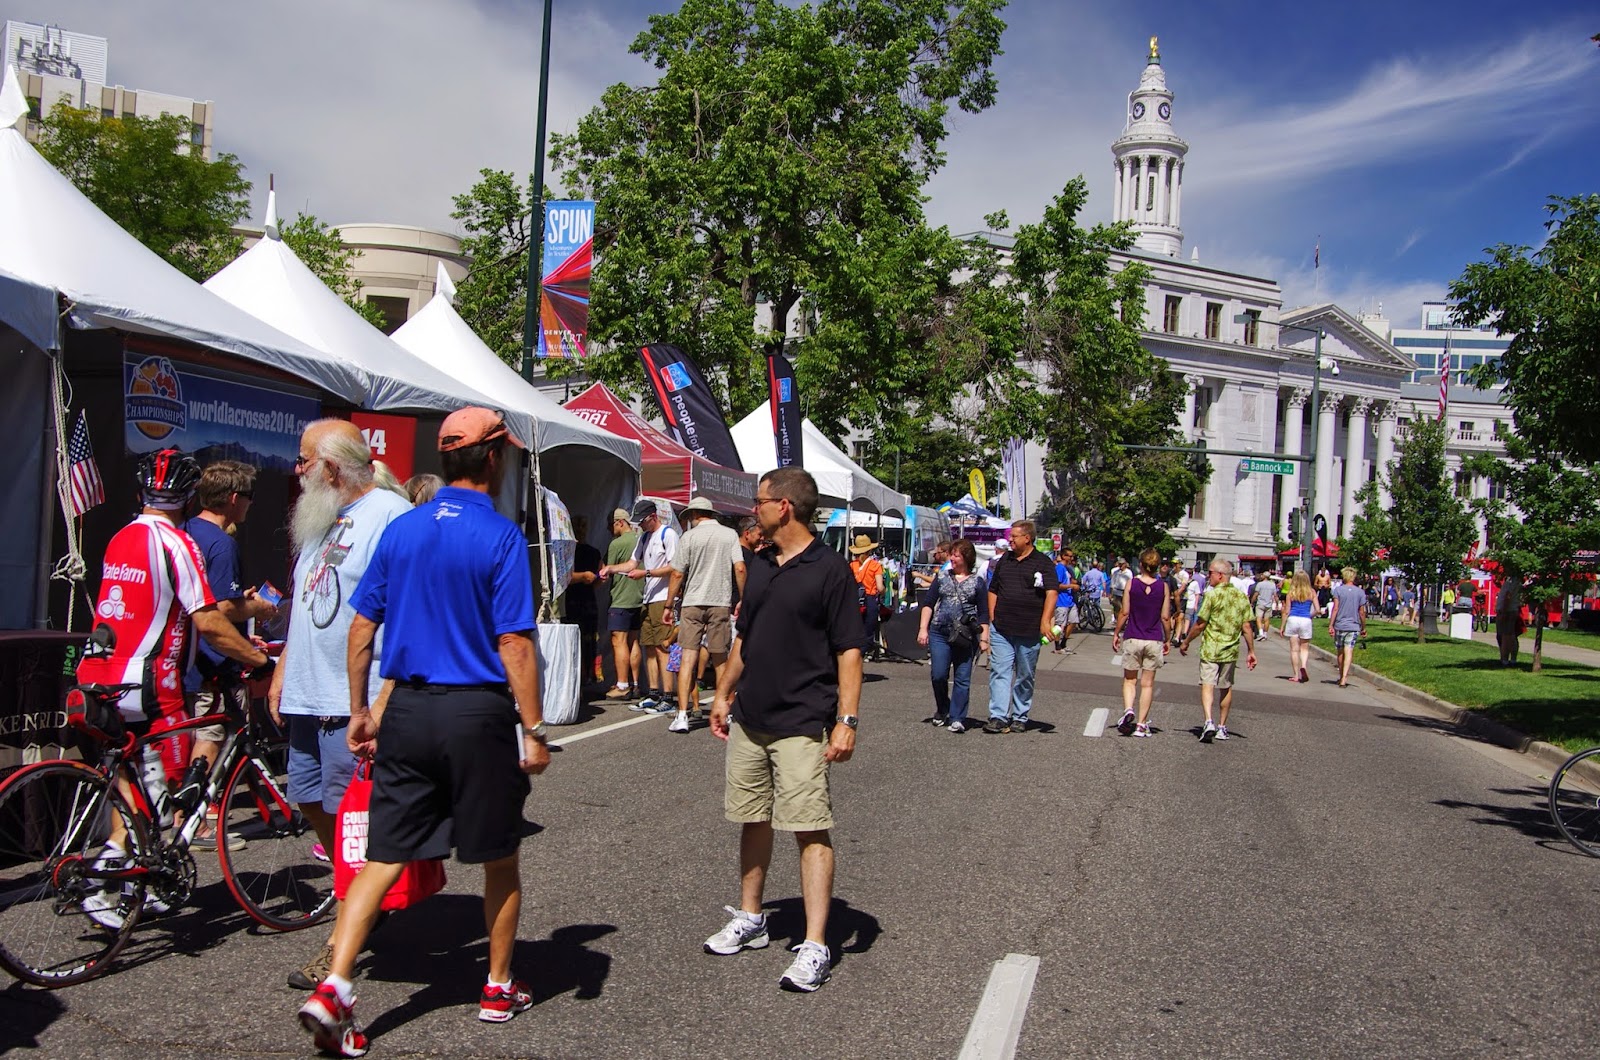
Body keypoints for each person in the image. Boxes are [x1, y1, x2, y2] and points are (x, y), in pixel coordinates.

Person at [297, 408, 550, 1056]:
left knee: (383, 857)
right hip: (475, 713)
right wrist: (535, 728)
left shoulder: (403, 529)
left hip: (406, 709)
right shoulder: (499, 535)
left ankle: (335, 985)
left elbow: (361, 629)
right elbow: (514, 641)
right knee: (499, 856)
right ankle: (496, 987)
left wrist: (360, 709)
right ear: (494, 458)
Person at [76, 448, 274, 929]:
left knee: (133, 784)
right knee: (165, 787)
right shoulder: (176, 544)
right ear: (186, 497)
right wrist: (260, 658)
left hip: (99, 672)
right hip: (150, 683)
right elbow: (209, 622)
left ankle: (141, 876)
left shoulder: (122, 536)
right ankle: (108, 875)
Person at [703, 467, 865, 994]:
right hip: (752, 717)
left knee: (809, 828)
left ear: (785, 507)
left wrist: (846, 721)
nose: (755, 509)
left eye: (761, 501)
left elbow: (849, 651)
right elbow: (745, 640)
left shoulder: (831, 570)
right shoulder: (760, 562)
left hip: (801, 721)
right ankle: (751, 918)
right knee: (752, 819)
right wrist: (723, 695)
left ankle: (815, 944)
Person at [272, 419, 414, 991]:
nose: (297, 470)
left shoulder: (392, 518)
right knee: (308, 800)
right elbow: (304, 604)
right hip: (308, 697)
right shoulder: (320, 519)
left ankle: (340, 947)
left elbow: (410, 617)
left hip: (351, 704)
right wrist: (283, 668)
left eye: (304, 460)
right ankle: (361, 892)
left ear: (331, 467)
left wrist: (382, 700)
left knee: (354, 821)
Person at [182, 459, 280, 850]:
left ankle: (194, 811)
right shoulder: (222, 543)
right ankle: (198, 820)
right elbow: (221, 609)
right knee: (210, 737)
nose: (251, 506)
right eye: (250, 498)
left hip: (190, 658)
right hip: (212, 662)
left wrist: (244, 638)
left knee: (204, 735)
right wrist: (257, 607)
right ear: (235, 498)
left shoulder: (186, 531)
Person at [664, 497, 747, 733]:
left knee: (688, 658)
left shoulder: (688, 537)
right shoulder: (729, 534)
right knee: (721, 658)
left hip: (692, 603)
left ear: (693, 515)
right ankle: (726, 711)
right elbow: (739, 567)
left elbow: (677, 574)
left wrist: (669, 605)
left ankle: (682, 715)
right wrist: (743, 598)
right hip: (720, 601)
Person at [600, 499, 680, 711]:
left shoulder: (668, 534)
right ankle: (654, 693)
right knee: (649, 647)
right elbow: (632, 563)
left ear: (653, 516)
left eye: (642, 521)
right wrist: (611, 569)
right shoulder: (644, 537)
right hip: (647, 597)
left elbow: (675, 567)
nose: (640, 526)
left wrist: (647, 573)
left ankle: (668, 696)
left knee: (663, 647)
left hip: (662, 597)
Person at [983, 521, 1058, 734]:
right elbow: (993, 588)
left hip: (1029, 628)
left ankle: (1019, 715)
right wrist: (992, 614)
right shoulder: (1004, 560)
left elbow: (1052, 592)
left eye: (1014, 536)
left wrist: (1045, 621)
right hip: (1002, 627)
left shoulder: (1043, 563)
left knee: (1025, 674)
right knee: (1000, 671)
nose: (1010, 540)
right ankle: (998, 715)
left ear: (1027, 538)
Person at [1177, 559, 1258, 743]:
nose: (1208, 576)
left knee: (1208, 684)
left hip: (1211, 648)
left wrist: (1187, 641)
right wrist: (1251, 650)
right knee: (1226, 687)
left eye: (1211, 572)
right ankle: (1222, 726)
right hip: (1230, 650)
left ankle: (1208, 721)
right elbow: (1247, 626)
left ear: (1220, 575)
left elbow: (1201, 623)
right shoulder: (1240, 597)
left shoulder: (1212, 595)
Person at [916, 538, 989, 733]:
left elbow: (983, 613)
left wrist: (984, 639)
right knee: (938, 674)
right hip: (940, 631)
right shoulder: (942, 577)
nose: (952, 558)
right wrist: (923, 628)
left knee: (962, 677)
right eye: (952, 554)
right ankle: (942, 708)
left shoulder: (977, 582)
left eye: (956, 555)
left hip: (965, 636)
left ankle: (958, 717)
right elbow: (929, 603)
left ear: (966, 558)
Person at [1111, 548, 1173, 738]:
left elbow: (1125, 612)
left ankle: (1129, 709)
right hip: (1153, 638)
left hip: (1133, 636)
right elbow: (1165, 617)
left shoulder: (1132, 583)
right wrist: (1168, 638)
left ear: (1141, 564)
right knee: (1147, 684)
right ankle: (1141, 724)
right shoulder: (1163, 587)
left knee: (1130, 679)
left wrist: (1116, 633)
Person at [603, 509, 644, 700]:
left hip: (621, 598)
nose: (610, 529)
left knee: (618, 640)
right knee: (633, 640)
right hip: (638, 596)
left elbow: (607, 573)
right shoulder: (641, 539)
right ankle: (635, 683)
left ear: (620, 523)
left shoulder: (616, 544)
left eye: (612, 524)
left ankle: (622, 684)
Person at [565, 516, 603, 692]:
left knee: (586, 641)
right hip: (579, 600)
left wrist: (591, 578)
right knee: (580, 640)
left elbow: (600, 576)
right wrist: (586, 577)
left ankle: (586, 677)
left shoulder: (573, 551)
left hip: (579, 600)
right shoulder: (571, 550)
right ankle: (583, 677)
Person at [1327, 566, 1368, 688]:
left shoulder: (1338, 591)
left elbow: (1335, 608)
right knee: (1348, 650)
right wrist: (1363, 627)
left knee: (1340, 651)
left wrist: (1331, 624)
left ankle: (1341, 676)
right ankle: (1344, 677)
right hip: (1353, 625)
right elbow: (1361, 612)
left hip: (1340, 624)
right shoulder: (1360, 592)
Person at [848, 535, 886, 661]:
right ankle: (857, 659)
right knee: (868, 634)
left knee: (854, 634)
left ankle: (851, 659)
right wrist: (884, 592)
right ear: (869, 550)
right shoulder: (875, 565)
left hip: (853, 601)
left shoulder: (851, 565)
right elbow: (880, 587)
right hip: (869, 600)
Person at [1280, 570, 1319, 683]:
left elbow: (1286, 611)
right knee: (1304, 648)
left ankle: (1296, 675)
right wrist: (1310, 616)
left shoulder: (1291, 593)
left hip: (1293, 619)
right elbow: (1317, 610)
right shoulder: (1311, 592)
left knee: (1294, 649)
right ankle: (1304, 666)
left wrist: (1282, 626)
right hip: (1305, 619)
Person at [1052, 551, 1079, 654]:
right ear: (1064, 556)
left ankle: (1064, 642)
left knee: (1073, 621)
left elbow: (1068, 581)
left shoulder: (1068, 568)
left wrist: (1073, 583)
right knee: (1060, 624)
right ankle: (1057, 645)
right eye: (1070, 556)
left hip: (1070, 600)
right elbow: (1057, 585)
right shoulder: (1059, 568)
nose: (1072, 558)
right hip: (1062, 600)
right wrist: (1071, 586)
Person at [1495, 574, 1523, 667]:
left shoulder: (1512, 580)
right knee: (1508, 636)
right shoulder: (1511, 580)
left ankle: (1505, 660)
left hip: (1508, 611)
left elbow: (1508, 596)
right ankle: (1510, 659)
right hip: (1510, 610)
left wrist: (1503, 611)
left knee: (1506, 636)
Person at [1251, 570, 1279, 642]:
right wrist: (1277, 603)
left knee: (1258, 618)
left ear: (1264, 576)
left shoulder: (1260, 584)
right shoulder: (1272, 585)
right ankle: (1265, 634)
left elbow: (1256, 594)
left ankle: (1261, 633)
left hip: (1260, 603)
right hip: (1268, 604)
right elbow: (1275, 595)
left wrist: (1252, 602)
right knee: (1267, 619)